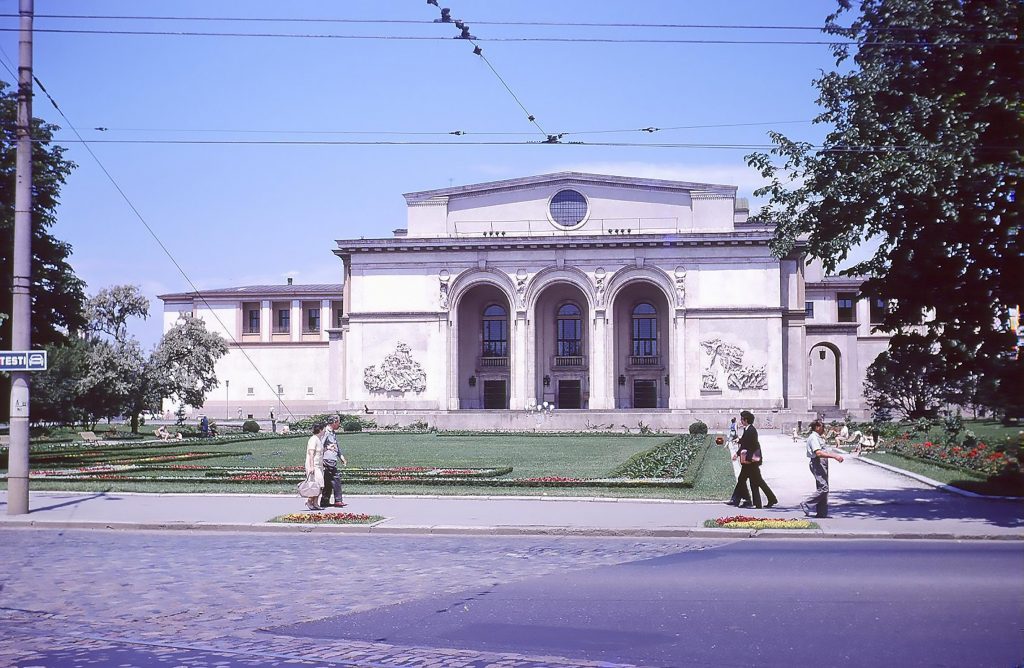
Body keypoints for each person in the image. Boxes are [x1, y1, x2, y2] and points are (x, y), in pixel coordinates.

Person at [730, 410, 778, 509]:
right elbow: (745, 442)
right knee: (755, 481)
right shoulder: (748, 429)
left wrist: (737, 453)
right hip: (750, 461)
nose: (741, 421)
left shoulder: (751, 430)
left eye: (742, 419)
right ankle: (758, 501)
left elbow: (746, 444)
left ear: (745, 420)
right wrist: (739, 440)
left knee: (747, 480)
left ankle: (744, 500)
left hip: (750, 461)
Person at [801, 420, 845, 519]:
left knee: (823, 488)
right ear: (817, 427)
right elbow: (819, 453)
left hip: (821, 463)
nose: (823, 429)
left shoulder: (817, 437)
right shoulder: (813, 438)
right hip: (818, 462)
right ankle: (807, 504)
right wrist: (834, 456)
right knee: (824, 488)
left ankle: (821, 512)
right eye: (822, 427)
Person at [320, 415, 348, 508]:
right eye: (338, 422)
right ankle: (338, 500)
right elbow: (320, 444)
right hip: (328, 459)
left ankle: (324, 500)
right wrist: (326, 449)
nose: (339, 424)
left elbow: (336, 445)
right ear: (334, 422)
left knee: (328, 481)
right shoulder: (326, 432)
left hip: (332, 458)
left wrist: (341, 456)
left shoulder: (332, 432)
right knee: (336, 479)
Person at [303, 422, 326, 511]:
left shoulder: (319, 439)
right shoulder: (313, 439)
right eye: (323, 429)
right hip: (313, 465)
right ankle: (309, 501)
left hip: (319, 466)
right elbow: (311, 453)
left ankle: (315, 503)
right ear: (320, 430)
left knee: (319, 485)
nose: (324, 431)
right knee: (317, 485)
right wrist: (311, 466)